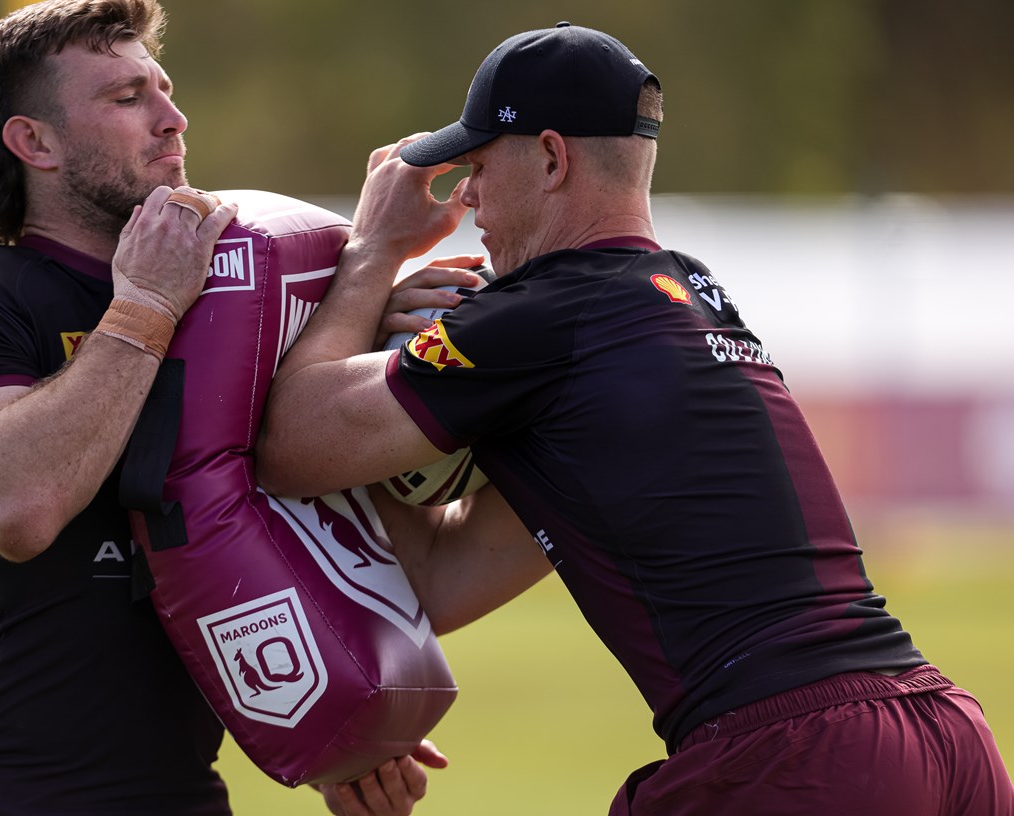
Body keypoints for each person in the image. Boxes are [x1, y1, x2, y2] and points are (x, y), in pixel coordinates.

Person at [256, 22, 1014, 814]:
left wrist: (372, 254)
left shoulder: (545, 314)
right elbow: (439, 580)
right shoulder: (683, 293)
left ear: (552, 159)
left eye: (479, 166)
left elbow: (292, 444)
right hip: (943, 739)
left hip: (798, 760)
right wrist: (395, 376)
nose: (467, 196)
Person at [0, 1, 456, 814]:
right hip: (9, 793)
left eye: (164, 88)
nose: (172, 118)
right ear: (34, 143)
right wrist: (145, 307)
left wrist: (343, 730)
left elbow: (345, 551)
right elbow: (14, 505)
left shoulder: (231, 300)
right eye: (126, 99)